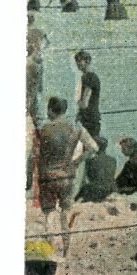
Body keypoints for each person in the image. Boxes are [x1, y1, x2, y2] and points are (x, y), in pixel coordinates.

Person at [34, 97, 89, 256]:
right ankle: (66, 250)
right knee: (65, 213)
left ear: (51, 110)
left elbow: (33, 155)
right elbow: (93, 147)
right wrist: (76, 162)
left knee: (49, 214)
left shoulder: (43, 129)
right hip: (67, 177)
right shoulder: (75, 128)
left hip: (47, 177)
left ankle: (50, 250)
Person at [75, 135, 117, 203]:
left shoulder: (90, 160)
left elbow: (83, 180)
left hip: (96, 190)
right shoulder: (113, 160)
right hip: (110, 189)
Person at [72, 50, 101, 140]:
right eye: (76, 61)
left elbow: (84, 104)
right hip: (89, 118)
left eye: (80, 61)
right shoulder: (87, 77)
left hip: (90, 119)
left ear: (87, 61)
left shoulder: (89, 77)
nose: (77, 64)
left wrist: (78, 103)